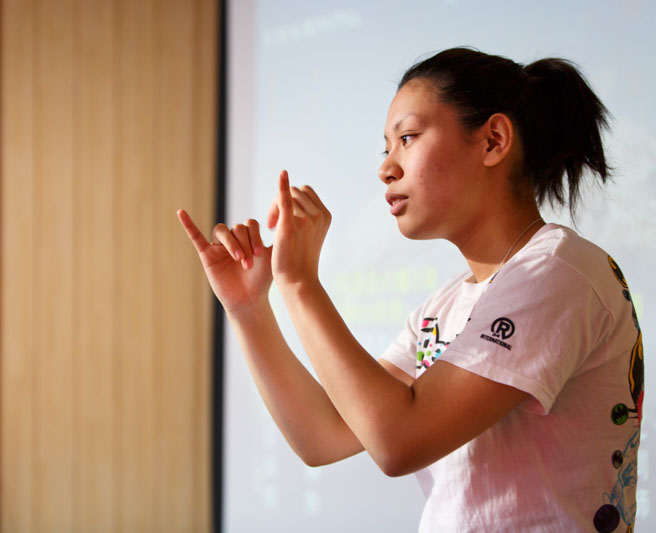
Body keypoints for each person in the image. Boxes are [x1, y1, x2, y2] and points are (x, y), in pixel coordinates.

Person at [177, 48, 643, 532]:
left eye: (407, 138)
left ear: (493, 140)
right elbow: (325, 435)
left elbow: (397, 442)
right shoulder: (445, 304)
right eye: (387, 147)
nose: (386, 168)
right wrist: (250, 309)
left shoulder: (557, 271)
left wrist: (299, 283)